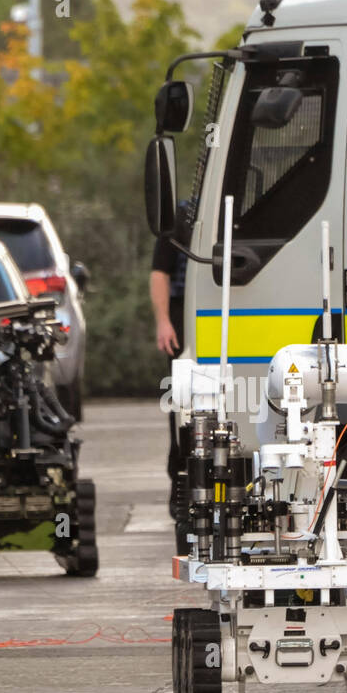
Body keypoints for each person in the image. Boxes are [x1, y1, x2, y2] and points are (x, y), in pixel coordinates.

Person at [150, 205, 190, 519]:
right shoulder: (181, 217)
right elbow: (160, 272)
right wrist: (163, 321)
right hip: (183, 316)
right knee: (181, 404)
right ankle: (180, 479)